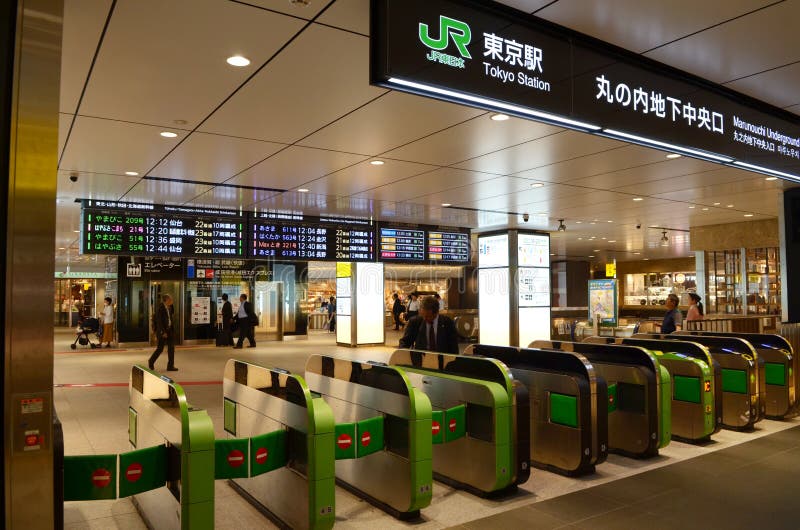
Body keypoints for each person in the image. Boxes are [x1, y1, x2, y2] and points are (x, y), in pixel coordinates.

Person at [148, 294, 177, 371]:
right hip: (162, 331)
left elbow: (172, 314)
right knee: (160, 349)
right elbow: (159, 321)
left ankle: (170, 366)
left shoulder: (169, 307)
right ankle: (151, 361)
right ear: (166, 300)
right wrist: (162, 332)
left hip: (170, 330)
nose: (172, 301)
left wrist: (171, 305)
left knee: (171, 348)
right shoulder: (160, 308)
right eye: (171, 300)